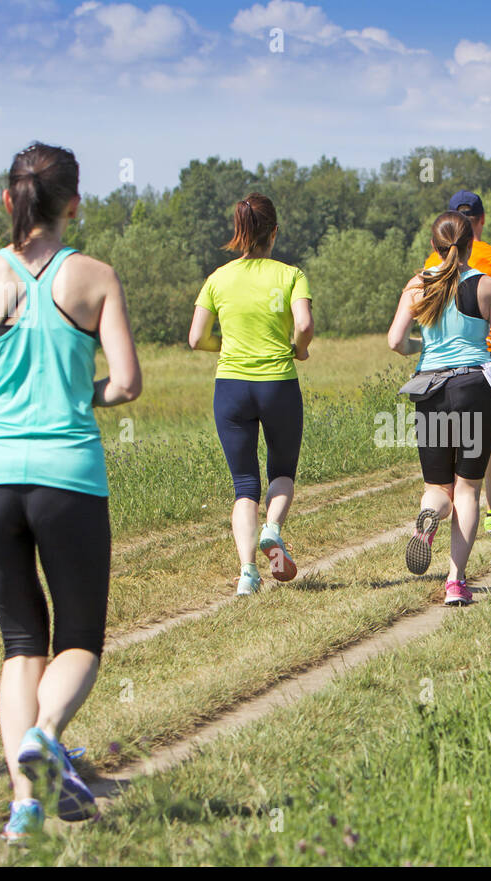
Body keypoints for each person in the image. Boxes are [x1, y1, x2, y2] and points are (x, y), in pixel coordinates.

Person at [0, 143, 142, 841]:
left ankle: (24, 808)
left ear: (6, 200)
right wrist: (84, 396)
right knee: (78, 637)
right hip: (67, 476)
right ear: (72, 203)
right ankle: (47, 735)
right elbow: (128, 382)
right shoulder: (95, 277)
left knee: (22, 642)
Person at [389, 211, 491, 605]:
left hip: (430, 388)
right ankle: (456, 581)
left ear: (434, 246)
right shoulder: (488, 286)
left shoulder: (418, 285)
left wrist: (423, 349)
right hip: (473, 386)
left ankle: (428, 522)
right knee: (467, 488)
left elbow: (396, 341)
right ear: (469, 245)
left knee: (436, 487)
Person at [189, 194, 314, 596]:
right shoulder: (291, 275)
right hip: (278, 383)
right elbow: (305, 325)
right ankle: (273, 529)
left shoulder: (218, 279)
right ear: (273, 232)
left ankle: (247, 574)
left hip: (231, 388)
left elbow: (195, 338)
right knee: (282, 471)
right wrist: (299, 348)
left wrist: (225, 346)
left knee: (245, 485)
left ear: (239, 231)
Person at [423, 191, 491, 536]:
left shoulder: (432, 263)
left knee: (443, 452)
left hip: (435, 370)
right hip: (486, 362)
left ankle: (438, 502)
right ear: (480, 221)